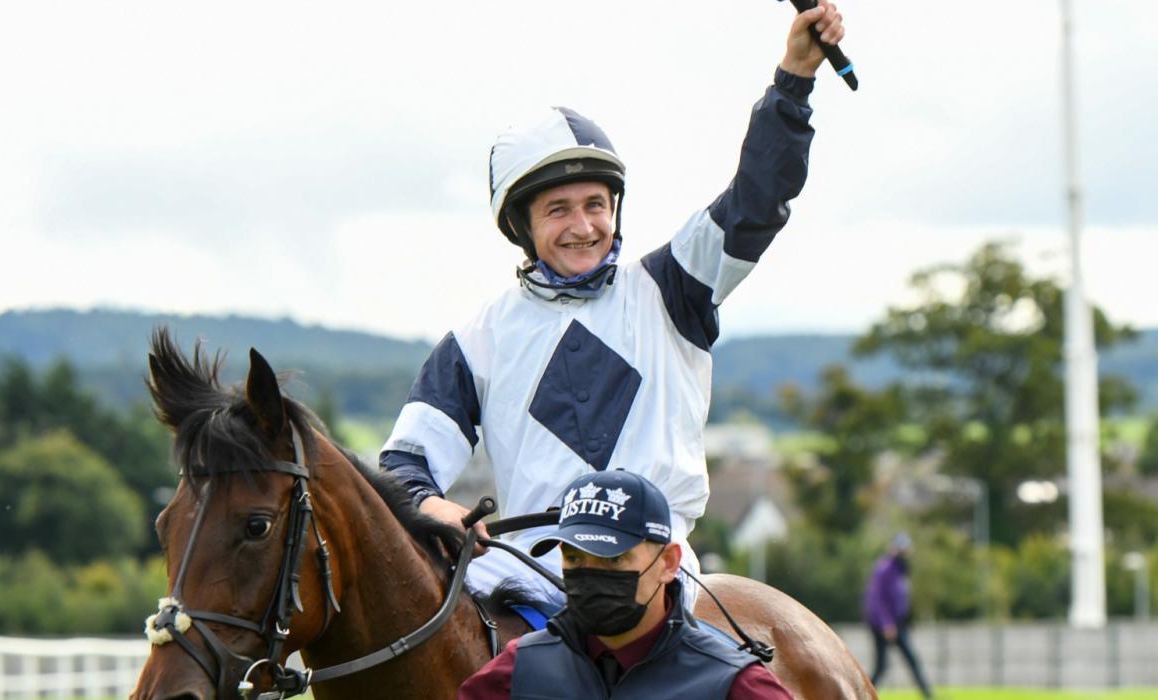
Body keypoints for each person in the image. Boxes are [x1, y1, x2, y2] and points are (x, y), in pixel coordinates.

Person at [380, 3, 846, 610]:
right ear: (521, 225)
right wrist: (435, 504)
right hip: (529, 590)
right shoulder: (476, 341)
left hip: (661, 584)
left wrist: (793, 81)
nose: (584, 226)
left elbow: (757, 198)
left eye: (596, 204)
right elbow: (404, 464)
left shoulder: (674, 286)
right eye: (559, 210)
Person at [457, 470, 792, 699]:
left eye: (612, 559)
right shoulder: (516, 673)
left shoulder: (732, 685)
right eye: (574, 558)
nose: (589, 573)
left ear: (668, 563)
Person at [863, 533, 934, 698]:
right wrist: (887, 624)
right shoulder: (884, 568)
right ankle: (864, 694)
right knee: (883, 666)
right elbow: (877, 599)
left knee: (909, 661)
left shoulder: (901, 568)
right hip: (884, 625)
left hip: (898, 623)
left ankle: (928, 695)